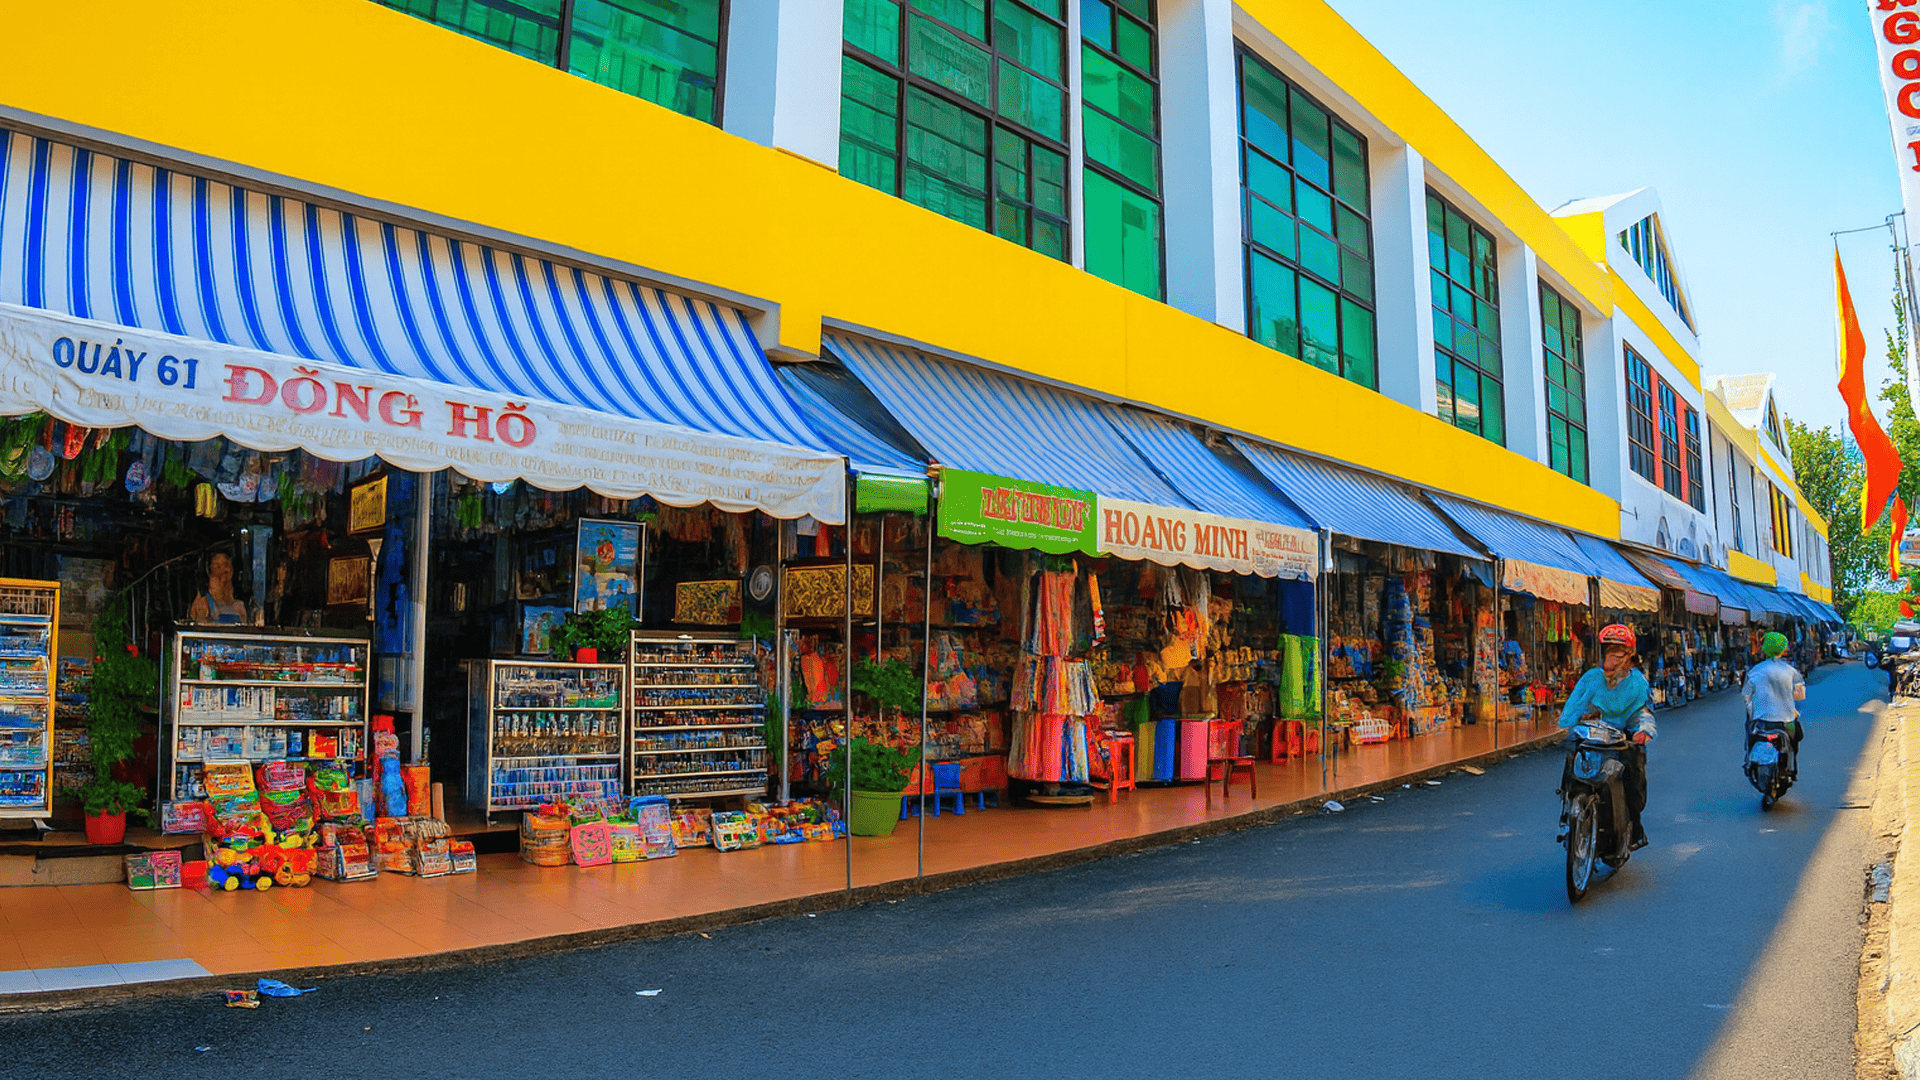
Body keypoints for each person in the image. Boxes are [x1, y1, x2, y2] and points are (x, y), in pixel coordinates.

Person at [1558, 624, 1657, 853]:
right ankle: (1568, 810)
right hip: (1594, 736)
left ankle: (1634, 828)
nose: (1612, 659)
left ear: (1629, 657)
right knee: (1572, 760)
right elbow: (1574, 707)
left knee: (1633, 781)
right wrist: (1567, 724)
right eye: (1610, 653)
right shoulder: (1592, 678)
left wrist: (1643, 732)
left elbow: (1644, 714)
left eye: (1618, 653)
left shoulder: (1638, 683)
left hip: (1624, 740)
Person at [1744, 631, 1807, 765]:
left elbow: (1746, 695)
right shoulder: (1791, 671)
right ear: (1783, 648)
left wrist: (1752, 711)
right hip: (1786, 721)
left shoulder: (1754, 671)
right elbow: (1800, 696)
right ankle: (1791, 766)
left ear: (1764, 647)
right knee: (1794, 739)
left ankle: (1748, 759)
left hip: (1761, 722)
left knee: (1749, 731)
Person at [187, 551, 253, 625]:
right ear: (209, 571)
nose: (224, 570)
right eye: (217, 566)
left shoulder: (240, 606)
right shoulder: (203, 603)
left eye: (227, 565)